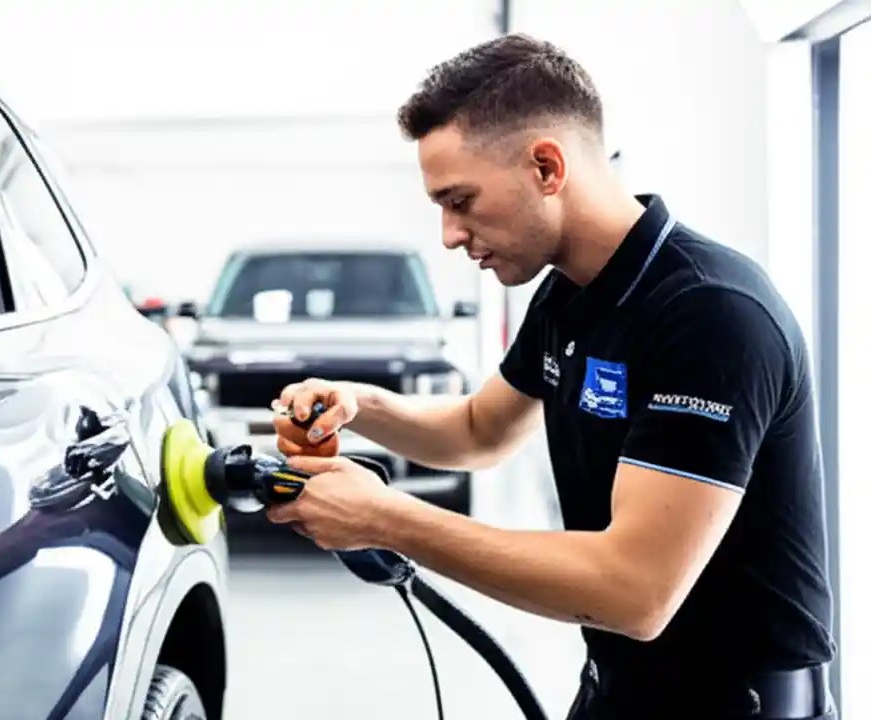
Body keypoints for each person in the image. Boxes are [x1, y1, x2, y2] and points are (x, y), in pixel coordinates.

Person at [266, 33, 837, 719]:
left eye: (461, 200)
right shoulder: (570, 291)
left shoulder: (711, 315)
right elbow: (480, 431)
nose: (449, 234)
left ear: (546, 166)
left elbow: (636, 593)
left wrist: (385, 519)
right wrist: (360, 404)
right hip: (617, 687)